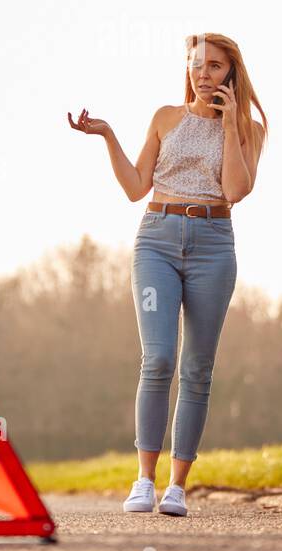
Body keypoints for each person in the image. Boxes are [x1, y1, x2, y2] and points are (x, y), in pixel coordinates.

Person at [68, 33, 267, 516]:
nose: (204, 74)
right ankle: (143, 480)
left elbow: (236, 190)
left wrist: (227, 124)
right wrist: (109, 136)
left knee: (197, 367)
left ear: (231, 74)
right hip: (156, 238)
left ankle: (177, 487)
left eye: (216, 67)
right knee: (158, 359)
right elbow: (136, 187)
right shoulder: (164, 118)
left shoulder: (249, 128)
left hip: (214, 244)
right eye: (197, 65)